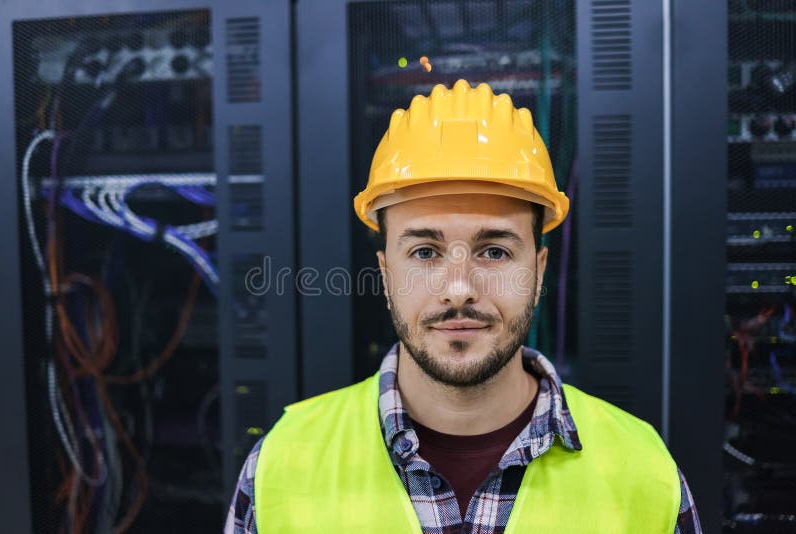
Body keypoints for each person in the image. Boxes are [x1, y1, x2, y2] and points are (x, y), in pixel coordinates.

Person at [225, 79, 702, 533]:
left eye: (494, 251)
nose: (458, 289)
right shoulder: (280, 466)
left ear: (538, 271)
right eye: (425, 252)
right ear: (386, 273)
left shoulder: (645, 473)